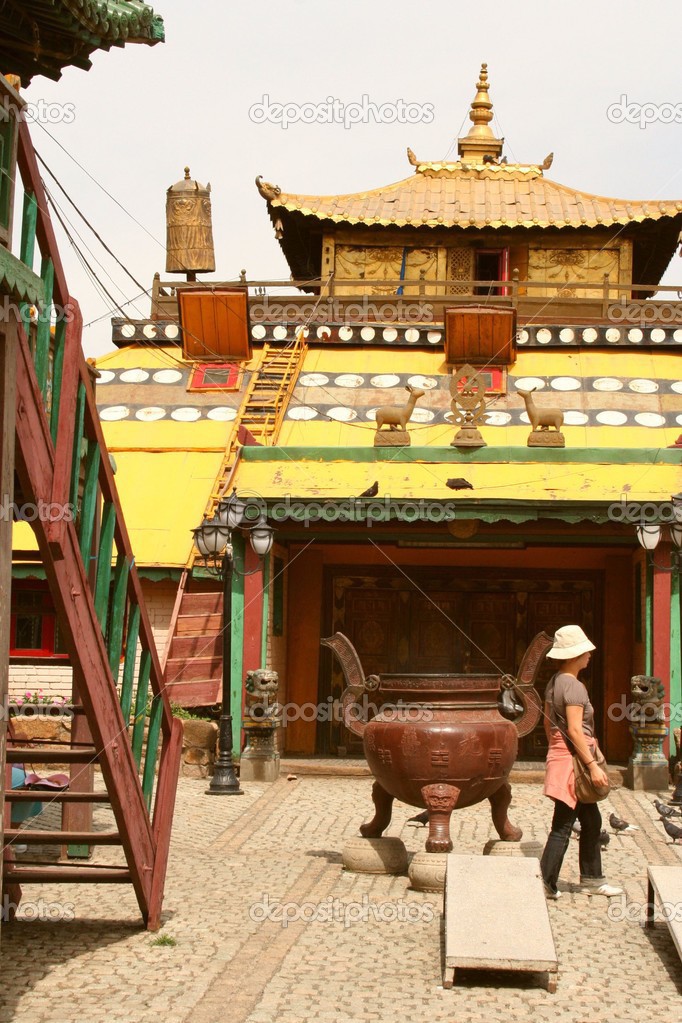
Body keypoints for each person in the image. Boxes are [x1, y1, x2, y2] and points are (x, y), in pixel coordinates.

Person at [539, 625, 623, 900]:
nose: (589, 655)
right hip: (574, 761)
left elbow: (547, 724)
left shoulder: (554, 683)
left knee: (591, 820)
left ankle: (592, 878)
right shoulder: (574, 686)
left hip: (563, 756)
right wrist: (592, 766)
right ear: (575, 655)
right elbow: (575, 730)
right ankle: (546, 881)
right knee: (563, 824)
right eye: (585, 651)